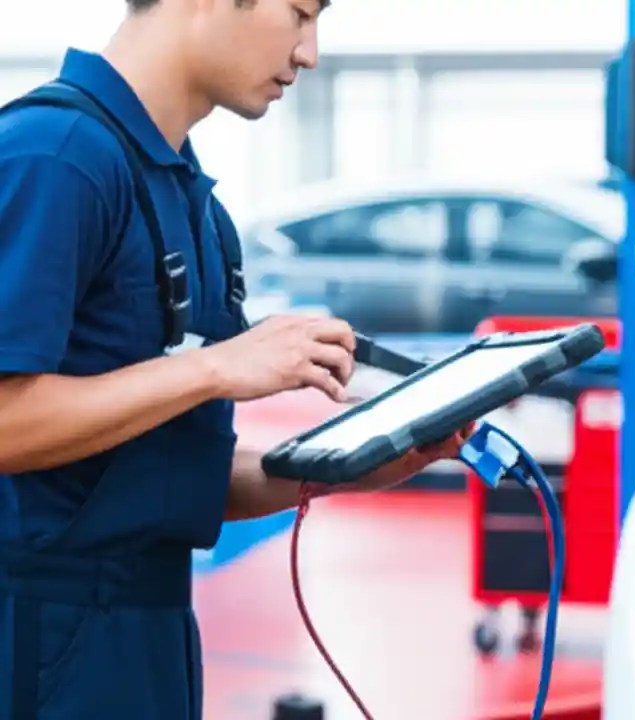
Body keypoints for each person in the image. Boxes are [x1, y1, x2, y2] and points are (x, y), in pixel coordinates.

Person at [0, 1, 471, 718]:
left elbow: (162, 475)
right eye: (299, 13)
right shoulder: (55, 156)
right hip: (38, 639)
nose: (309, 52)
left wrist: (343, 469)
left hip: (151, 634)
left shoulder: (195, 207)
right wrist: (217, 368)